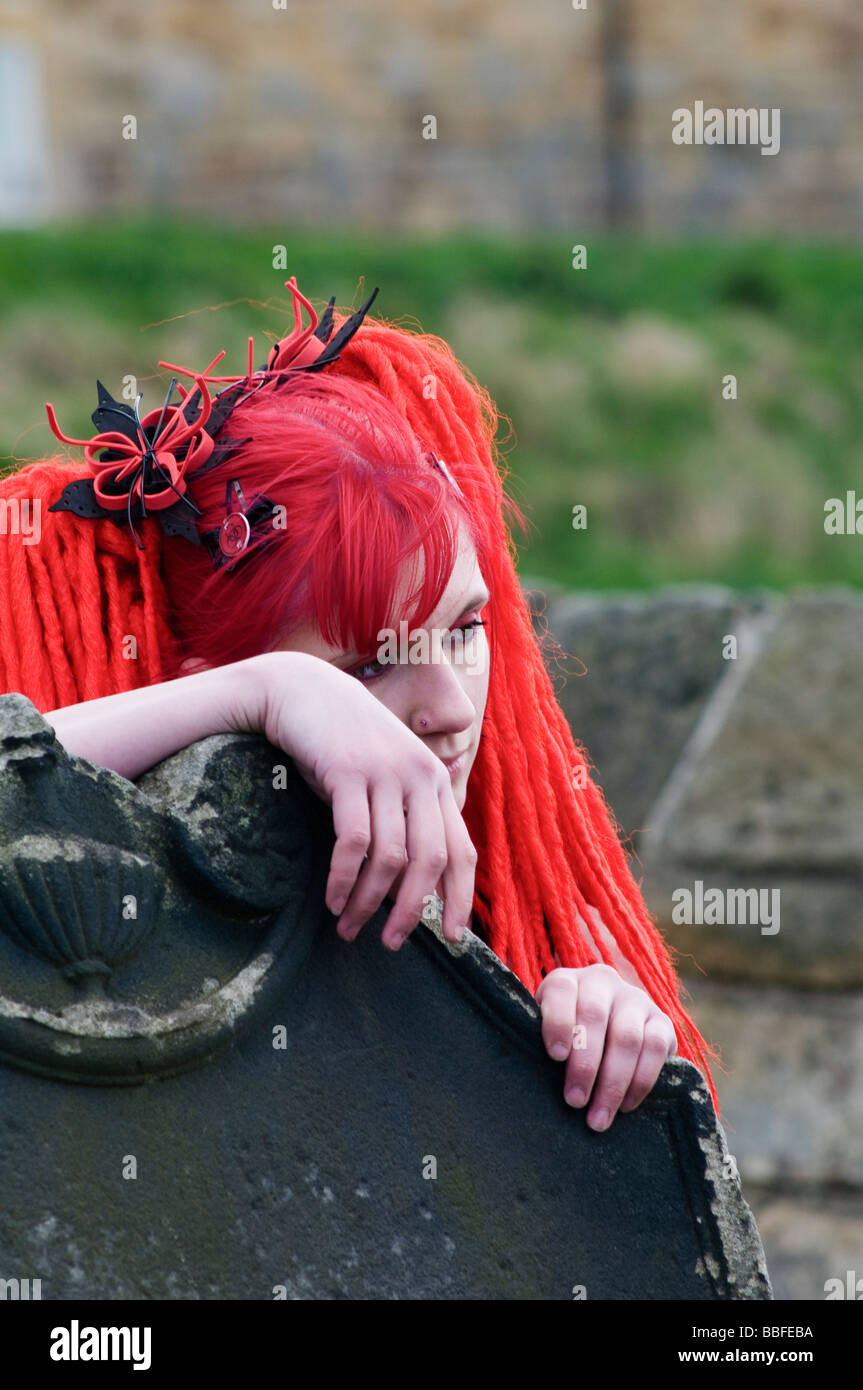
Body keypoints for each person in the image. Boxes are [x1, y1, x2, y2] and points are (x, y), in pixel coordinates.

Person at [0, 274, 719, 1127]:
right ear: (200, 681)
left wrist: (601, 1026)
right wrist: (265, 689)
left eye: (463, 627)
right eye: (371, 664)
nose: (450, 707)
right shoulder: (113, 885)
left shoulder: (536, 935)